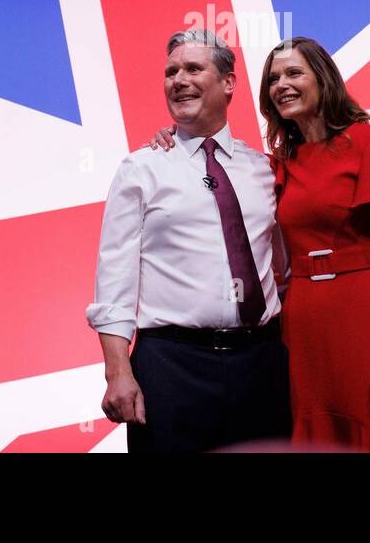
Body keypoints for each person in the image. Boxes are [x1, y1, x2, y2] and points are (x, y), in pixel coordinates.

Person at [152, 36, 370, 451]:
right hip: (301, 325)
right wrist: (175, 137)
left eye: (293, 73)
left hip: (365, 314)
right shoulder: (278, 164)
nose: (281, 84)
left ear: (322, 79)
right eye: (272, 78)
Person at [86, 30, 291, 452]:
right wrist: (117, 372)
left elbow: (284, 267)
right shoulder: (142, 168)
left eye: (193, 68)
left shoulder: (263, 170)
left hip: (262, 363)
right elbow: (115, 278)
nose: (178, 79)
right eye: (170, 72)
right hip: (171, 367)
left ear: (229, 83)